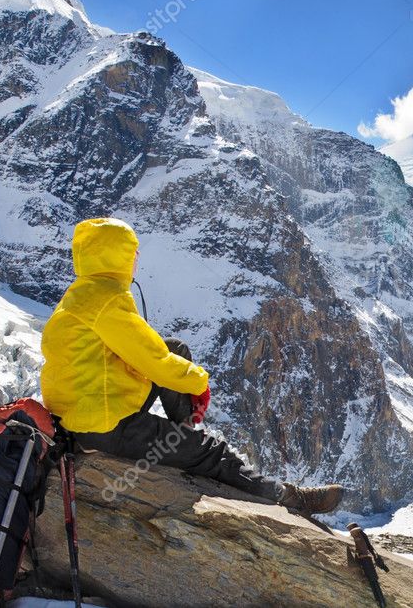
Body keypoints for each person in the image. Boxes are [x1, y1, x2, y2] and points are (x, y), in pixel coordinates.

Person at [40, 218, 344, 515]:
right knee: (214, 453)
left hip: (82, 409)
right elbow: (154, 362)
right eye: (133, 252)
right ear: (117, 255)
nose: (137, 258)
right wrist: (199, 383)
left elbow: (154, 351)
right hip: (102, 425)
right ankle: (292, 499)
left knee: (175, 348)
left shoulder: (81, 294)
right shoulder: (108, 301)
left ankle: (181, 436)